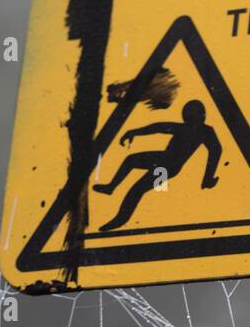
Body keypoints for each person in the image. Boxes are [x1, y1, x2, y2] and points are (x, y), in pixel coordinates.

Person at [93, 98, 221, 232]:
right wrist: (134, 132)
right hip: (163, 159)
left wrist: (207, 178)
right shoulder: (186, 128)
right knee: (131, 161)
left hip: (168, 167)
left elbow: (216, 151)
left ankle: (120, 219)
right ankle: (111, 187)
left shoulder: (205, 132)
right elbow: (158, 127)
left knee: (137, 189)